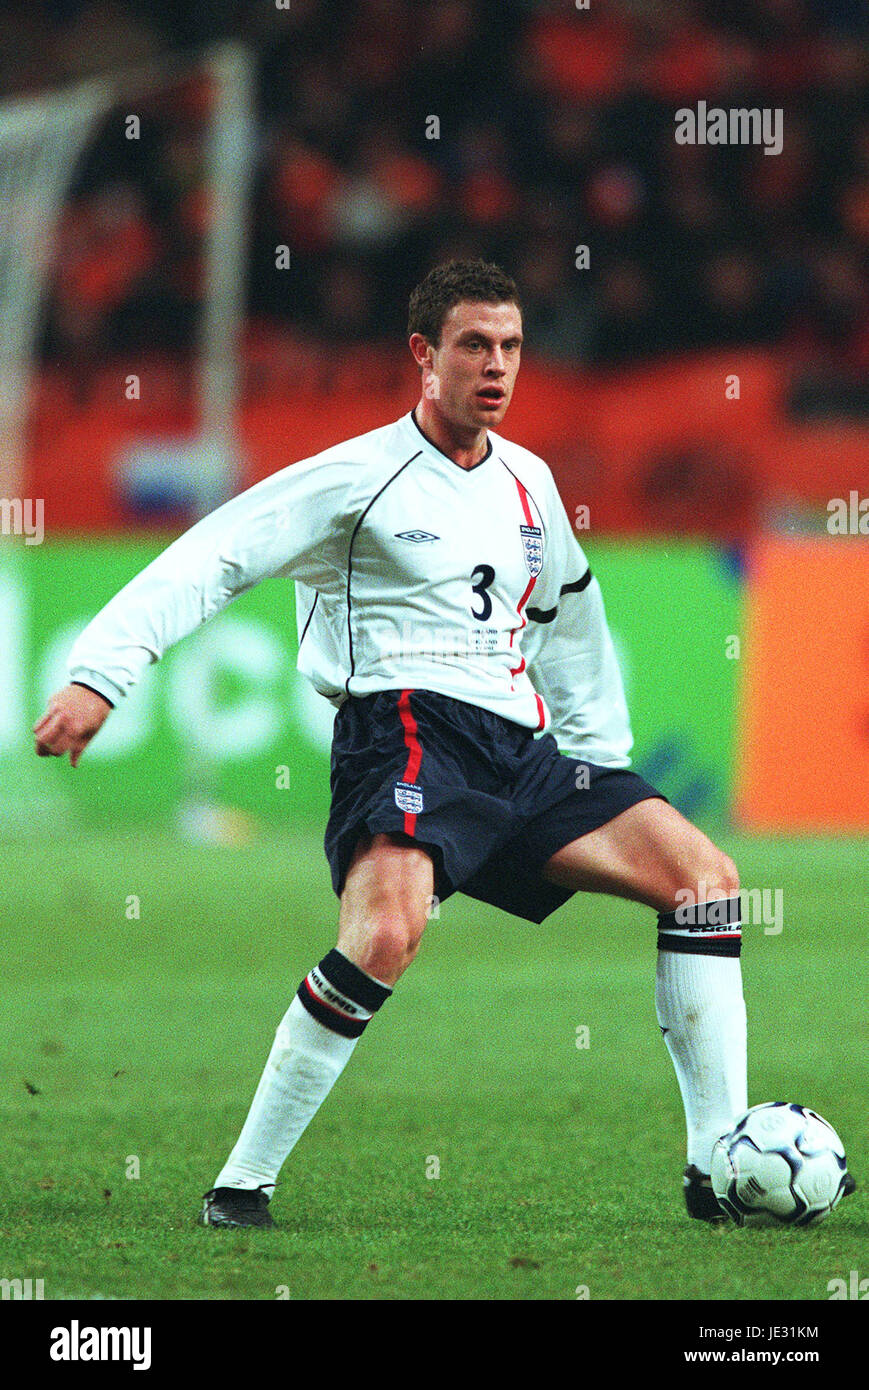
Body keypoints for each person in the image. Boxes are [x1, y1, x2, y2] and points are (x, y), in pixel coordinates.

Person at [33, 259, 751, 1229]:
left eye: (509, 346)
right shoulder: (356, 477)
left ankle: (717, 1167)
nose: (495, 366)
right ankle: (241, 1186)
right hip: (405, 727)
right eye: (472, 345)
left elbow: (569, 613)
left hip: (522, 751)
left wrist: (597, 754)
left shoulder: (530, 483)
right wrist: (101, 673)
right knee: (381, 937)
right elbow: (216, 555)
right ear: (423, 354)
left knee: (702, 880)